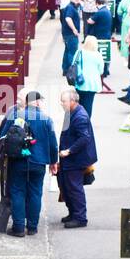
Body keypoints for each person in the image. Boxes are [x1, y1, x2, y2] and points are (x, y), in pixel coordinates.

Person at [0, 91, 59, 236]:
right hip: (39, 162)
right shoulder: (47, 119)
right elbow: (53, 144)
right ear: (37, 102)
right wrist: (53, 162)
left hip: (18, 161)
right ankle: (32, 227)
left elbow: (2, 137)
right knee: (35, 193)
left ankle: (18, 228)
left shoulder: (15, 116)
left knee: (17, 192)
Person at [57, 88, 97, 228]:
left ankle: (80, 217)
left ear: (73, 101)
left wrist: (69, 150)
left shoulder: (79, 117)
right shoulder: (71, 112)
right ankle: (73, 213)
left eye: (64, 101)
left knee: (75, 187)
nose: (61, 104)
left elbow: (84, 138)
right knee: (67, 186)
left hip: (75, 159)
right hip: (68, 158)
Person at [84, 0, 114, 93]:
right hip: (106, 34)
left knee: (101, 55)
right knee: (106, 54)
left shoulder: (100, 12)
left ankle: (103, 72)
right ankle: (106, 70)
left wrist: (88, 18)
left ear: (97, 3)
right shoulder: (107, 11)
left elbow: (90, 21)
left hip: (100, 36)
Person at [71, 34, 104, 117]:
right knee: (88, 105)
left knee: (79, 104)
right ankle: (85, 122)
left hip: (80, 82)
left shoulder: (79, 52)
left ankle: (78, 120)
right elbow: (101, 70)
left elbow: (73, 64)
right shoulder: (97, 55)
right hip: (92, 84)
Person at [60, 0, 83, 74]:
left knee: (67, 51)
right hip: (70, 34)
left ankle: (65, 69)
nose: (78, 0)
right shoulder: (71, 8)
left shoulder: (71, 7)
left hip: (67, 33)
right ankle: (71, 71)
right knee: (72, 52)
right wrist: (74, 29)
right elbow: (68, 18)